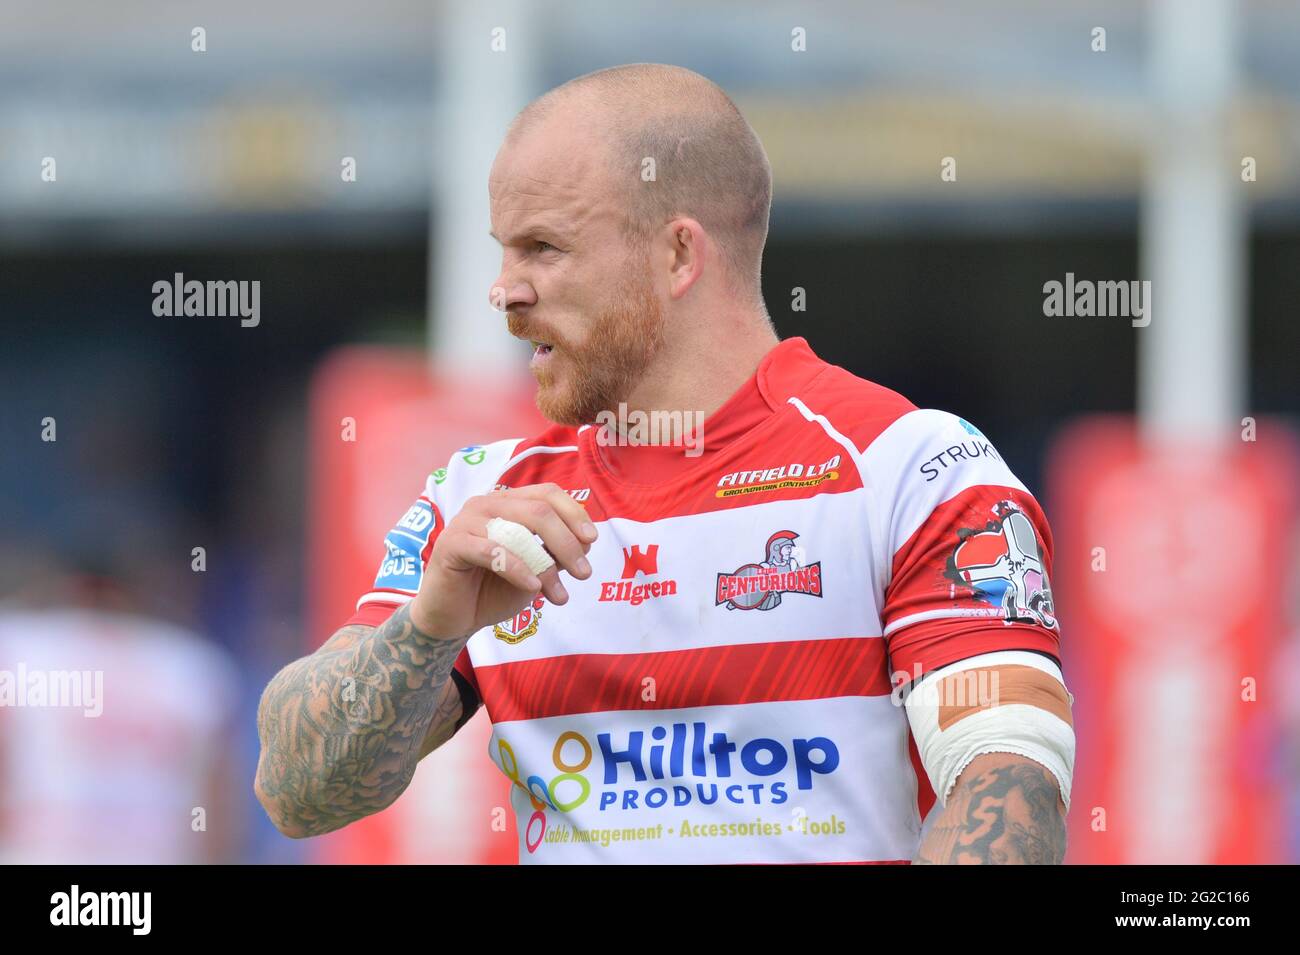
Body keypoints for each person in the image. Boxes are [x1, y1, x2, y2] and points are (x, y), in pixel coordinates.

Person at [254, 63, 1075, 864]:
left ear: (679, 255)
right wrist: (427, 626)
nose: (504, 291)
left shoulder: (913, 470)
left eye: (543, 247)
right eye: (504, 252)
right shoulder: (480, 497)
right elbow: (298, 793)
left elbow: (1007, 787)